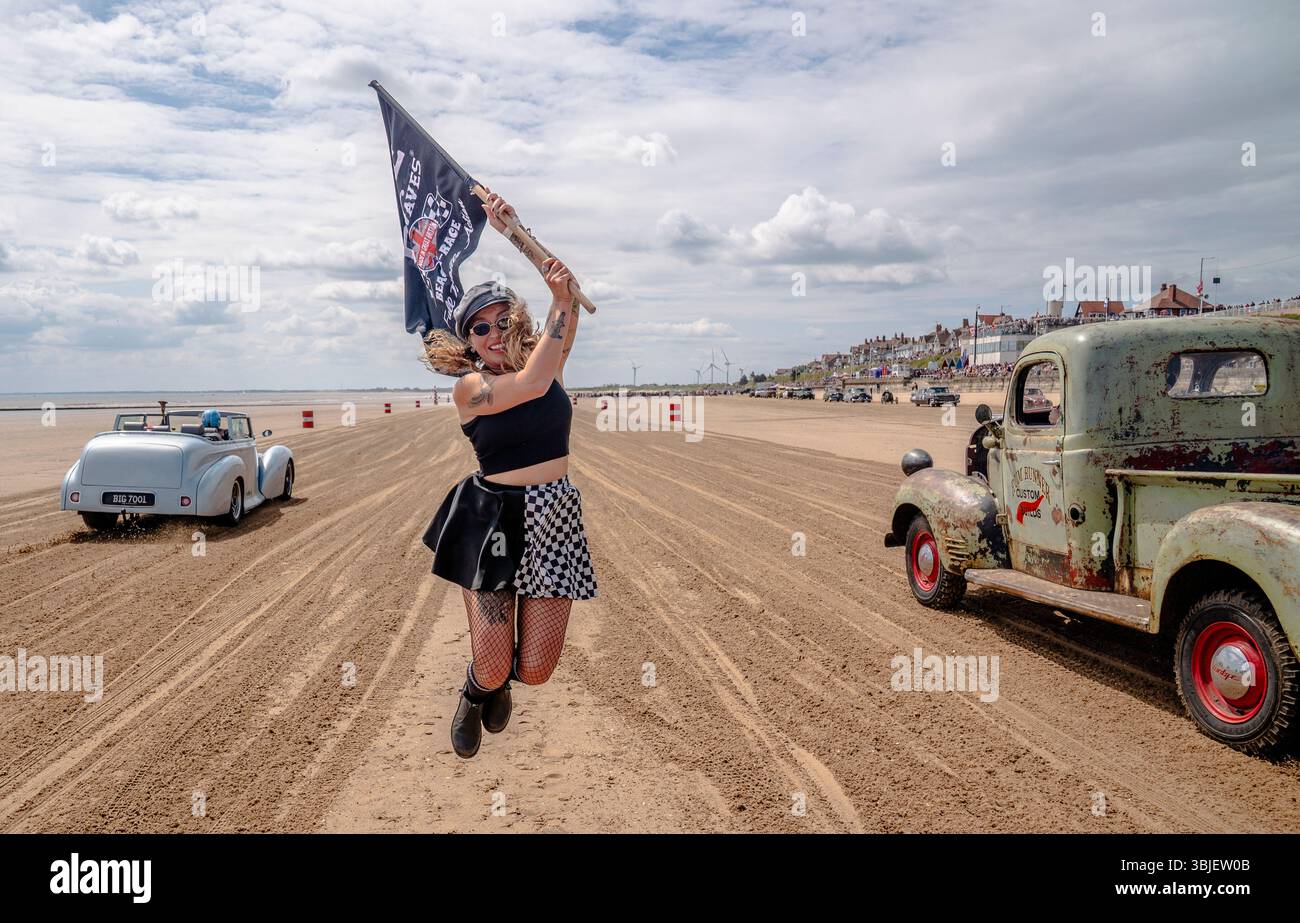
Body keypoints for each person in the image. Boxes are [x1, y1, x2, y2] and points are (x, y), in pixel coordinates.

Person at [420, 190, 597, 759]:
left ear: (516, 322)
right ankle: (477, 691)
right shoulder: (470, 388)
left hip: (552, 515)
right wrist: (556, 294)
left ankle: (500, 685)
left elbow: (561, 325)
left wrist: (516, 231)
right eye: (479, 328)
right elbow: (534, 383)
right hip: (492, 517)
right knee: (494, 662)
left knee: (538, 668)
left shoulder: (545, 361)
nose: (493, 334)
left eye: (502, 320)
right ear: (468, 341)